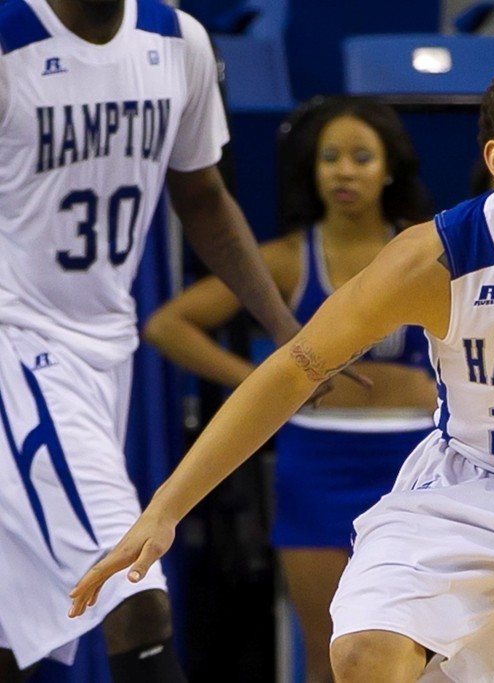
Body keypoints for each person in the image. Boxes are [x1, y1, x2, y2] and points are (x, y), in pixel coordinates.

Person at [70, 49, 494, 682]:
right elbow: (294, 369)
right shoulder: (435, 260)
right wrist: (165, 509)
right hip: (483, 485)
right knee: (363, 656)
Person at [0, 0, 339, 680]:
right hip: (19, 346)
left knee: (18, 624)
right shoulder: (11, 40)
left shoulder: (177, 40)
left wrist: (286, 329)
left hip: (106, 350)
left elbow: (203, 196)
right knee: (135, 587)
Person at [142, 95, 437, 683]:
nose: (344, 171)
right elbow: (166, 325)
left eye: (361, 157)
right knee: (328, 653)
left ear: (389, 169)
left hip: (416, 463)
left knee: (428, 655)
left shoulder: (425, 250)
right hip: (317, 464)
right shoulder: (287, 258)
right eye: (330, 157)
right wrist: (263, 381)